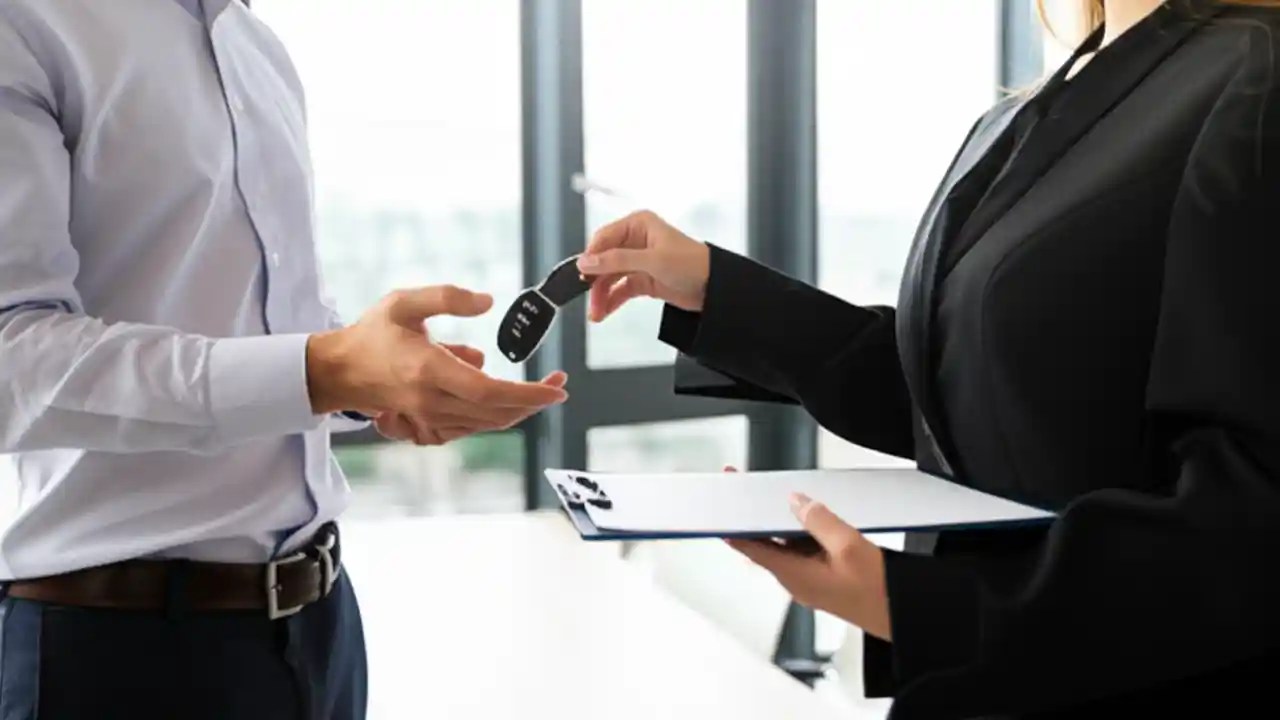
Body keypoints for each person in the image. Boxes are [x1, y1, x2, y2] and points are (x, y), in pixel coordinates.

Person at [576, 0, 1280, 716]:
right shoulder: (1047, 97)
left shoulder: (1259, 76)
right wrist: (715, 288)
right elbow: (960, 392)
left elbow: (1251, 524)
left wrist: (921, 606)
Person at [0, 1, 567, 718]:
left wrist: (372, 383)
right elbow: (10, 360)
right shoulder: (25, 24)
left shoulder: (253, 44)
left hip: (319, 628)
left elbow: (268, 315)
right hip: (116, 651)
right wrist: (327, 370)